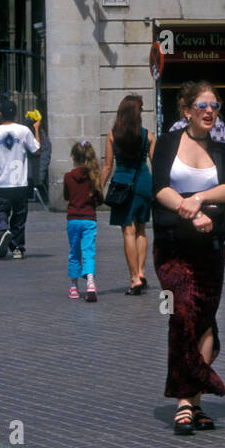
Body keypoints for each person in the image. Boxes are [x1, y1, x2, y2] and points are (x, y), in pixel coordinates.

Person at [151, 81, 225, 435]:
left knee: (204, 321)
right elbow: (160, 188)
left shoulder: (221, 149)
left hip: (211, 249)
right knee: (181, 312)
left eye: (214, 106)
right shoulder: (168, 143)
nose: (209, 111)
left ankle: (195, 402)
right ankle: (185, 400)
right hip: (172, 247)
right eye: (202, 105)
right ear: (186, 110)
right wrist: (189, 210)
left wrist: (198, 199)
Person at [100, 94, 154, 295]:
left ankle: (133, 279)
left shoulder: (113, 135)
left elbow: (107, 166)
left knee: (128, 231)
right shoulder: (147, 136)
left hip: (123, 183)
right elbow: (156, 163)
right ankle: (141, 272)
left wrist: (98, 188)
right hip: (143, 183)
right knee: (141, 229)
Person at [0, 100, 39, 259]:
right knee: (19, 216)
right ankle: (18, 248)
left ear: (0, 113)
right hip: (20, 182)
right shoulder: (24, 131)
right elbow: (37, 150)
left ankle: (2, 232)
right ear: (15, 113)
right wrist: (36, 129)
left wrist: (0, 162)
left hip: (0, 183)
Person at [63, 141, 103, 301]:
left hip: (73, 219)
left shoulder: (68, 176)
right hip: (89, 219)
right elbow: (100, 199)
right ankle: (91, 283)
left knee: (74, 252)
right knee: (88, 252)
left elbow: (66, 196)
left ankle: (73, 287)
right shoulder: (93, 176)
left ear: (73, 156)